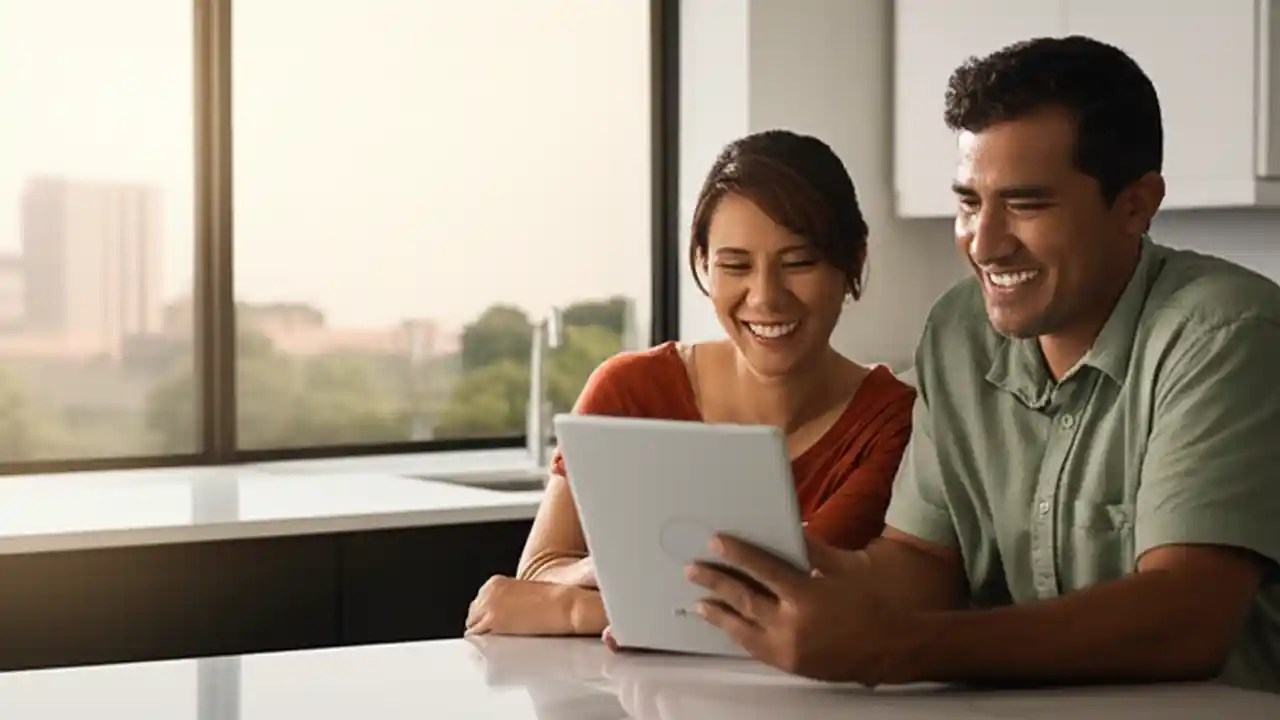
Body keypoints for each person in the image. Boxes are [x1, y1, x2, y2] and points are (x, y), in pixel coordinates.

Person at [684, 36, 1280, 693]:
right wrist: (800, 576)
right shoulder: (959, 330)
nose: (985, 244)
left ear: (1135, 205)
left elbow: (1188, 617)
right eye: (969, 203)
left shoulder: (1224, 332)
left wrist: (892, 648)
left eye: (1026, 204)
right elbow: (921, 560)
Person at [465, 129, 917, 638]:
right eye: (735, 266)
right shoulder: (629, 391)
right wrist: (599, 577)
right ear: (703, 263)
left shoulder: (893, 422)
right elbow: (541, 570)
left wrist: (579, 608)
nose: (765, 297)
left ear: (853, 260)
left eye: (798, 263)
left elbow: (778, 601)